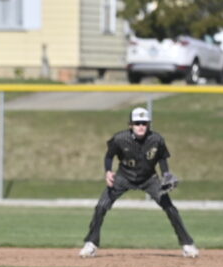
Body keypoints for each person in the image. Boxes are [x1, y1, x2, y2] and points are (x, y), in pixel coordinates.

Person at [79, 107, 198, 258]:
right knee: (101, 206)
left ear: (148, 124)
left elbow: (162, 158)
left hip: (149, 178)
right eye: (137, 123)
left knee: (170, 208)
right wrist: (108, 171)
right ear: (130, 125)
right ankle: (91, 243)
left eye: (144, 123)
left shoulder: (156, 139)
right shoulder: (120, 138)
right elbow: (109, 156)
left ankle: (187, 244)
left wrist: (166, 174)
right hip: (124, 176)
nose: (141, 126)